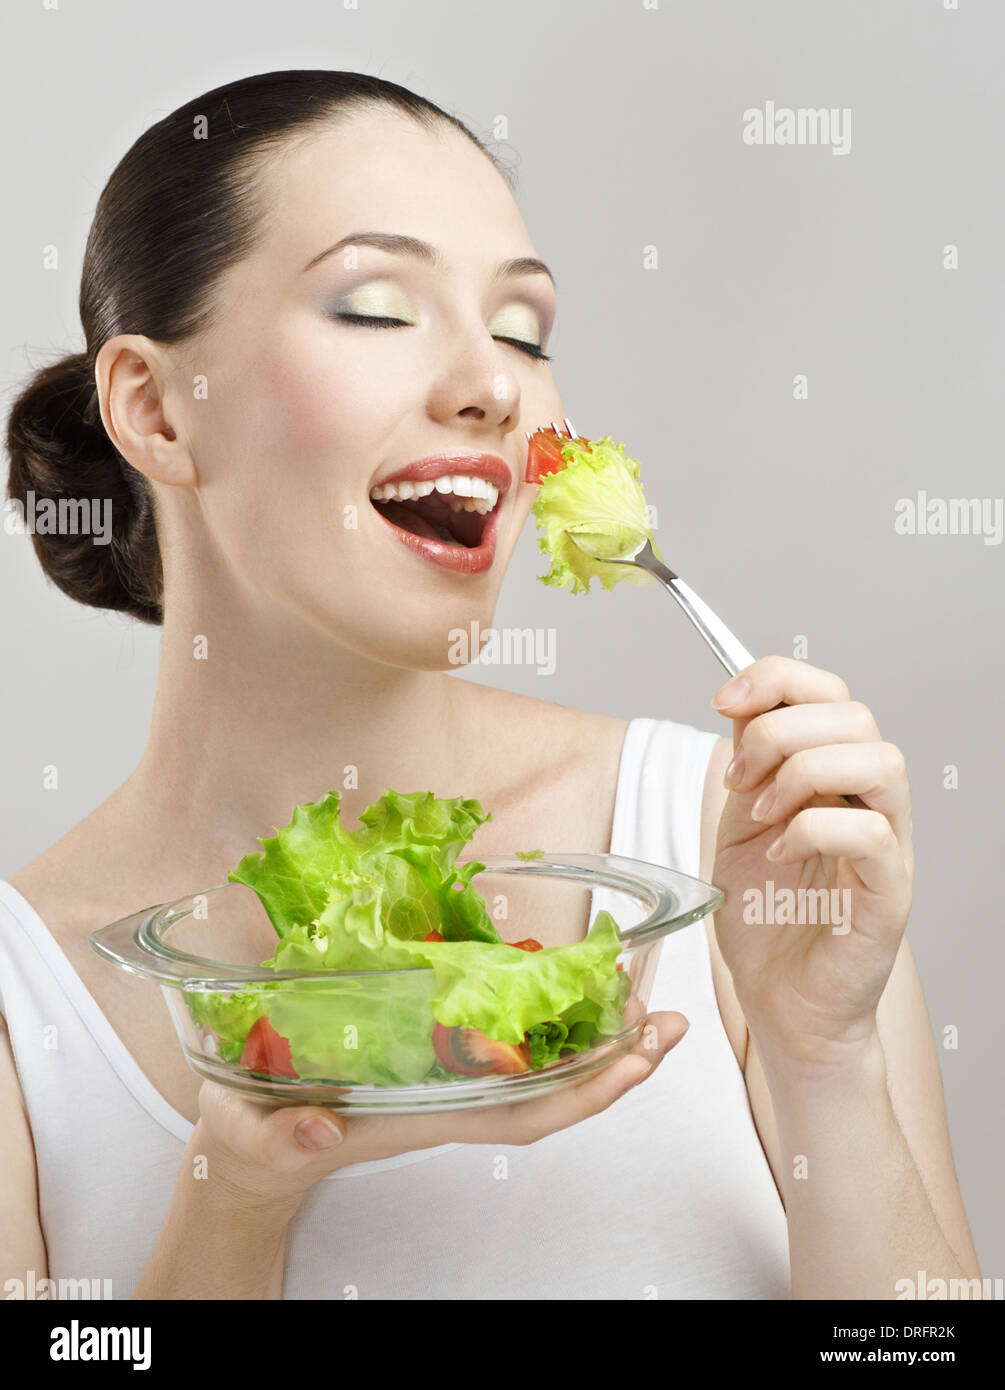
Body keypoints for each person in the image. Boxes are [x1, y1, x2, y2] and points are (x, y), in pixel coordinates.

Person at [1, 69, 981, 1301]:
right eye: (373, 306)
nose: (498, 385)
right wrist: (238, 1198)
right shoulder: (23, 1001)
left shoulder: (740, 847)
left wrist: (826, 1057)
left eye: (524, 329)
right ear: (156, 410)